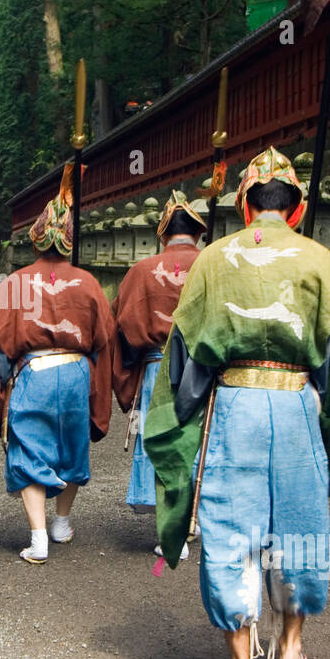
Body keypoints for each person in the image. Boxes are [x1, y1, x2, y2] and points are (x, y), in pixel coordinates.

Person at [143, 147, 330, 659]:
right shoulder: (320, 261)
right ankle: (289, 649)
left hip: (234, 403)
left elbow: (183, 352)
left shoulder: (214, 260)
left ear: (245, 205)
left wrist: (175, 427)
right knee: (301, 522)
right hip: (296, 407)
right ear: (294, 207)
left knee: (230, 526)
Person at [0, 166, 115, 563]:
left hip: (34, 373)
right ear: (68, 244)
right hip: (77, 373)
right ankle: (62, 522)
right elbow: (104, 340)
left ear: (35, 240)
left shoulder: (14, 283)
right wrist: (99, 389)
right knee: (72, 446)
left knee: (28, 447)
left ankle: (38, 539)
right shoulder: (88, 283)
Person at [111, 191, 205, 559]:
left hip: (157, 368)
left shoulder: (142, 271)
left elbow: (123, 325)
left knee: (164, 438)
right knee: (202, 435)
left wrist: (127, 373)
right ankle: (198, 518)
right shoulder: (213, 264)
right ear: (197, 234)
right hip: (206, 367)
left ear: (163, 234)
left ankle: (172, 531)